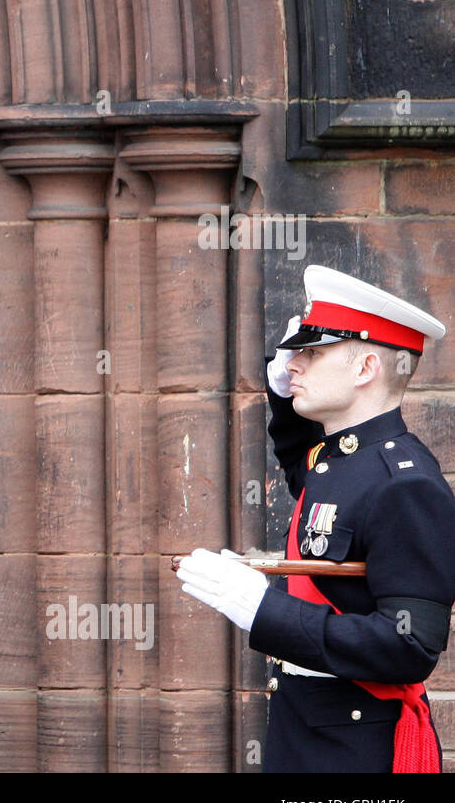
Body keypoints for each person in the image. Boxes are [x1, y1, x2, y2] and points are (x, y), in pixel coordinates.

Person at [177, 264, 455, 773]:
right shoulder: (341, 461)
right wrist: (283, 396)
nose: (294, 364)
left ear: (365, 368)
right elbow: (306, 465)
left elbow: (410, 645)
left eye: (313, 352)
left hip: (357, 750)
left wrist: (263, 609)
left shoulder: (405, 484)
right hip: (309, 732)